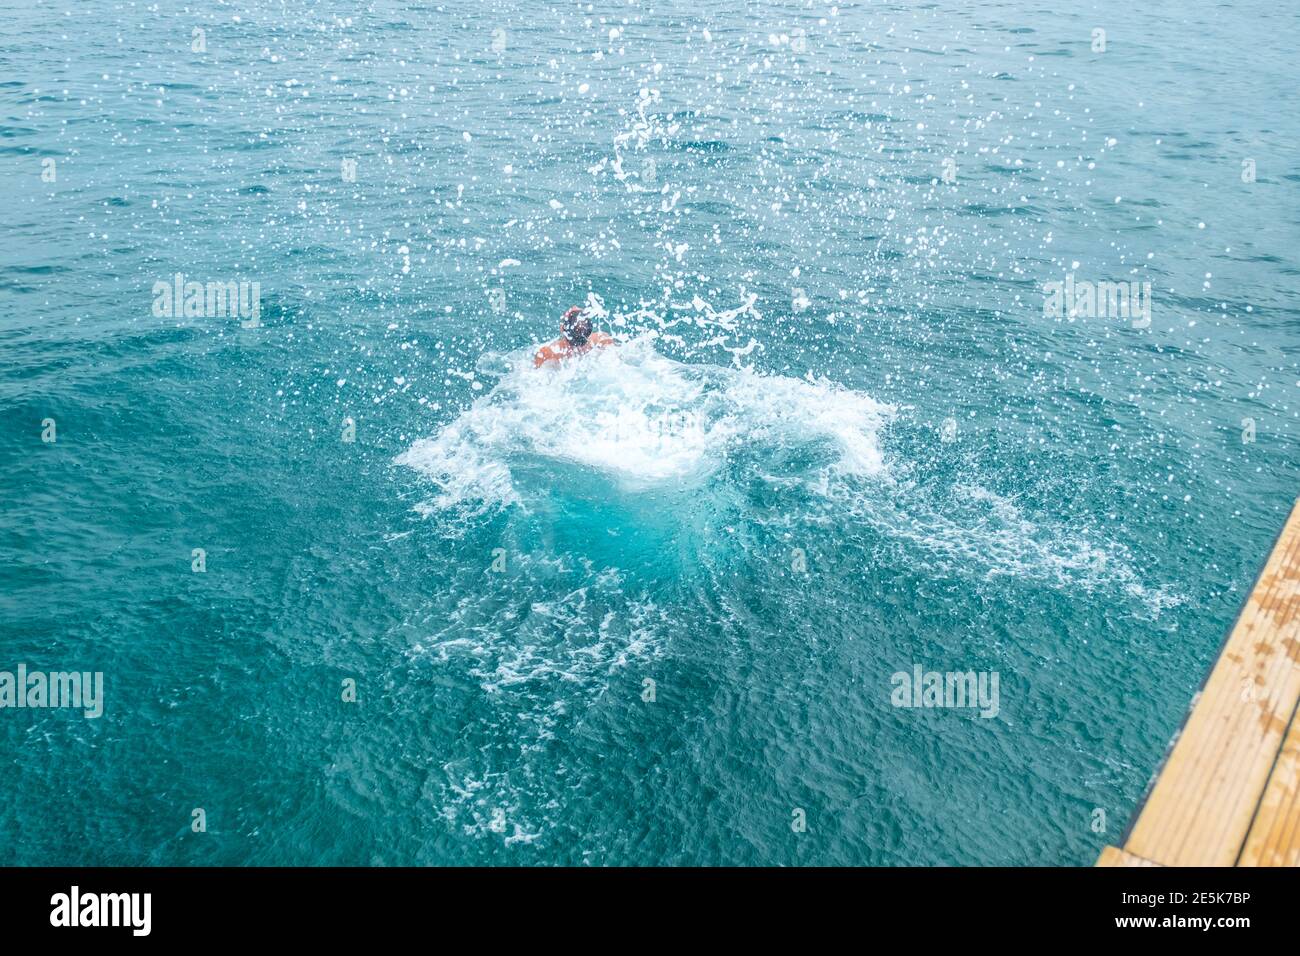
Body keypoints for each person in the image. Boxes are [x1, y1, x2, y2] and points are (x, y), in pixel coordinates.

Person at [533, 307, 616, 368]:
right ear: (589, 330)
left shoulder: (547, 352)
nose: (575, 306)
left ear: (562, 328)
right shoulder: (603, 339)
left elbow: (534, 373)